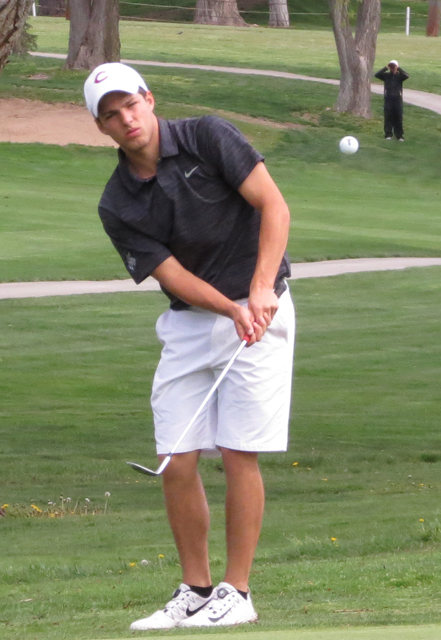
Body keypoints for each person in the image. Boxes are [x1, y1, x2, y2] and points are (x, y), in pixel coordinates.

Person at [83, 62, 295, 630]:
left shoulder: (208, 135)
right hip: (192, 323)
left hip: (262, 308)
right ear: (101, 128)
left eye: (131, 104)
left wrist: (257, 292)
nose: (126, 118)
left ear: (149, 100)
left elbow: (274, 206)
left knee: (237, 450)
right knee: (176, 458)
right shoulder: (117, 203)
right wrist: (228, 308)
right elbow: (170, 275)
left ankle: (238, 590)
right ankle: (197, 589)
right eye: (111, 115)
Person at [374, 60, 409, 141]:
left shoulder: (400, 76)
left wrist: (398, 68)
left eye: (394, 67)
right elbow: (377, 75)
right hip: (388, 98)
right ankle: (388, 134)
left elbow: (407, 76)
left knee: (398, 117)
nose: (393, 69)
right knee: (388, 116)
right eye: (392, 67)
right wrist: (386, 67)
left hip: (397, 99)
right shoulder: (386, 76)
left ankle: (399, 135)